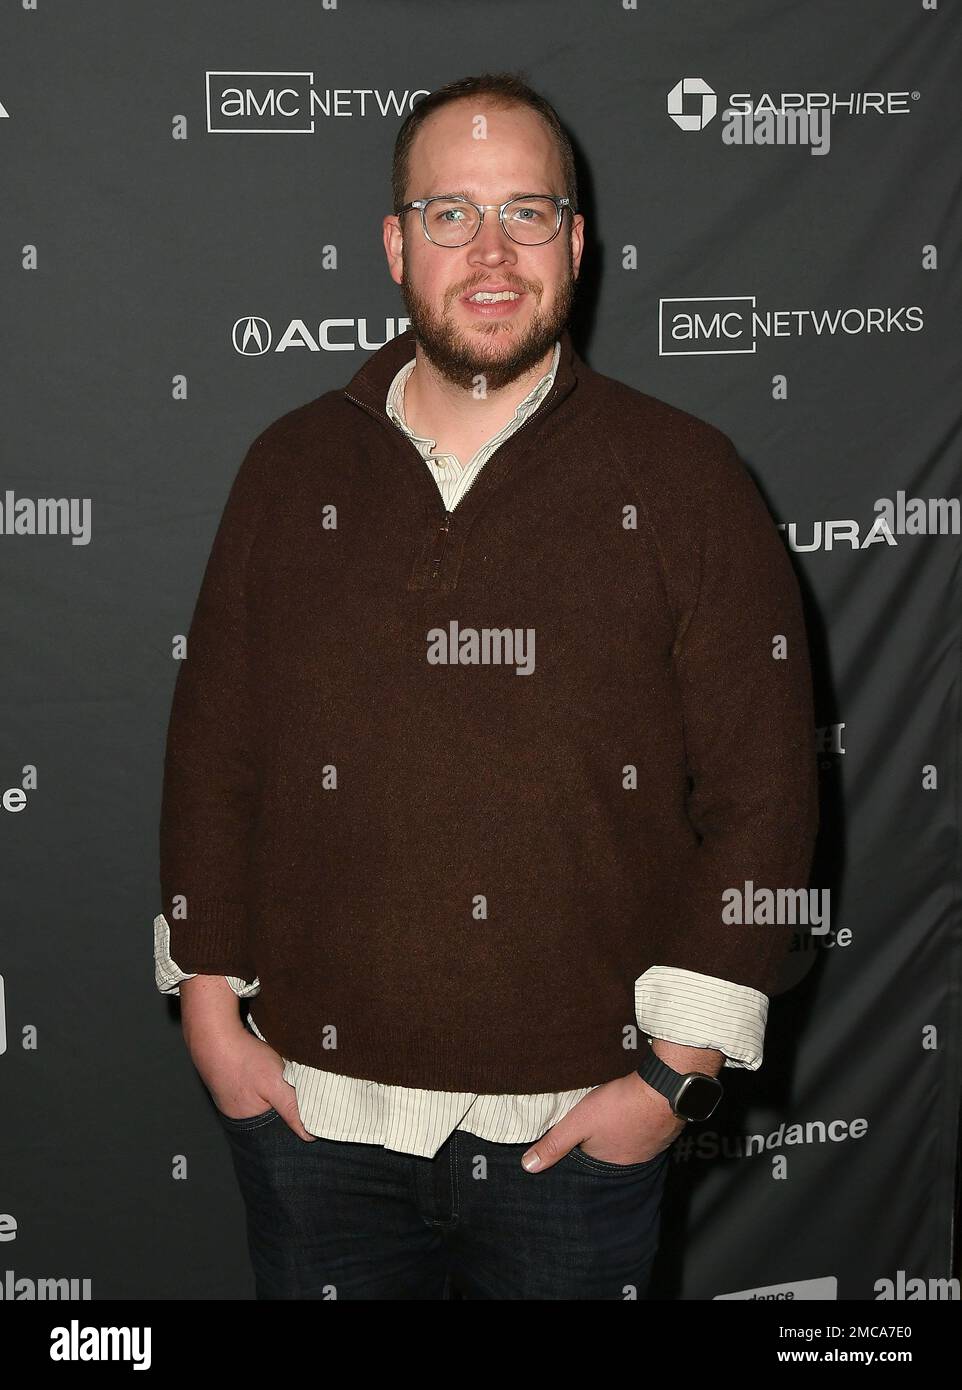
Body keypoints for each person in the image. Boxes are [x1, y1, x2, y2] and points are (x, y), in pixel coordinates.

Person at [154, 71, 819, 1300]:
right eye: (450, 215)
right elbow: (216, 752)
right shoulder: (287, 468)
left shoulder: (684, 479)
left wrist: (670, 1078)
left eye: (526, 212)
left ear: (574, 243)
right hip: (312, 1124)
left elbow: (764, 793)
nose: (492, 250)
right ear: (395, 245)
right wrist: (207, 1000)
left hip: (579, 1140)